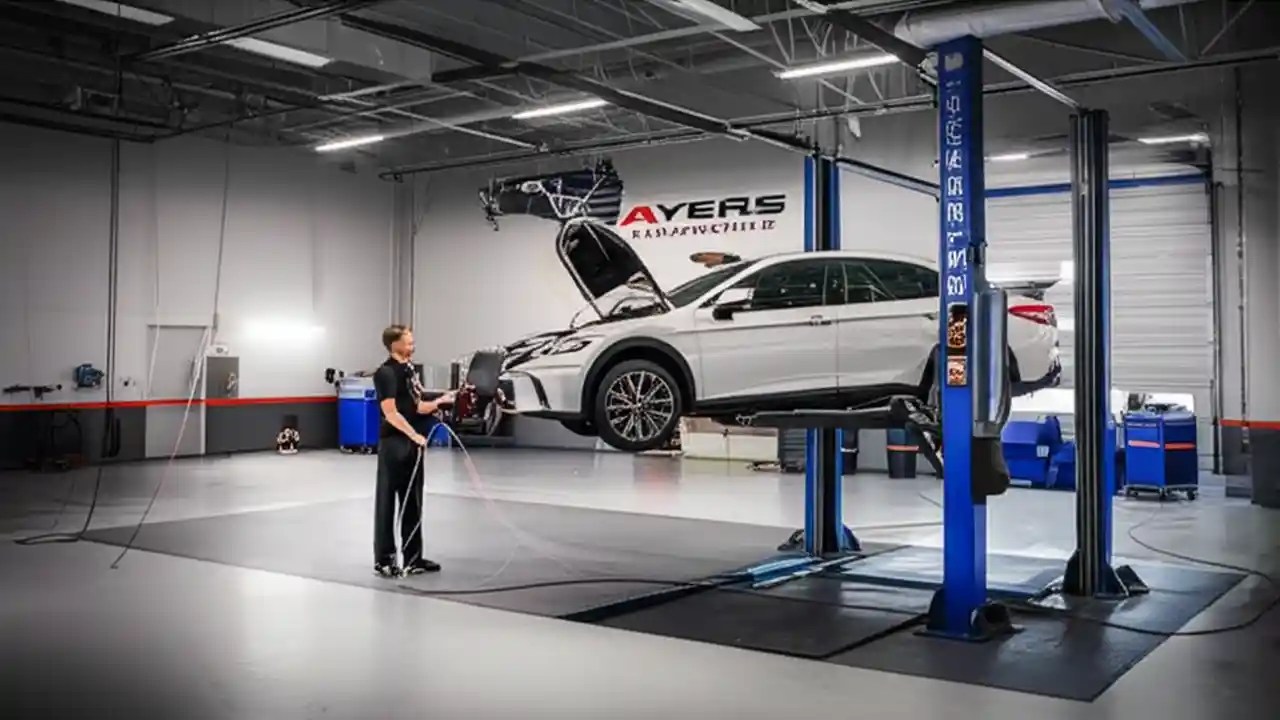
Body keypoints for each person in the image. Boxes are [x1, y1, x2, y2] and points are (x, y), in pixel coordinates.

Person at [373, 324, 455, 578]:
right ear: (394, 344)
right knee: (388, 501)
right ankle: (384, 559)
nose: (412, 345)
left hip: (413, 445)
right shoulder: (385, 373)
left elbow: (415, 406)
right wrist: (413, 435)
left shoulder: (408, 371)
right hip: (395, 443)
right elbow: (391, 413)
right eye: (408, 342)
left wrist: (440, 402)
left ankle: (413, 557)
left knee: (413, 501)